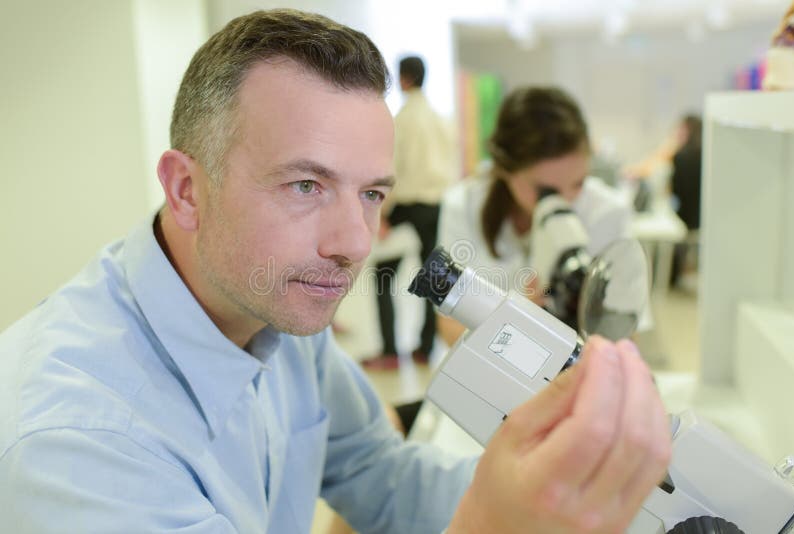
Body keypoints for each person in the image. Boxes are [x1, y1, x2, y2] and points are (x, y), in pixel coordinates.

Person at [0, 10, 671, 534]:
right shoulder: (77, 443)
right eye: (304, 186)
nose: (354, 243)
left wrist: (543, 489)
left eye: (372, 194)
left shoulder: (277, 313)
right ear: (186, 191)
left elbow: (380, 473)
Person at [437, 86, 635, 346]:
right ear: (506, 169)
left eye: (578, 183)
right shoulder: (463, 205)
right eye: (546, 192)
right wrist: (515, 317)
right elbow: (449, 323)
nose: (564, 202)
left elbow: (625, 336)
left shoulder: (608, 213)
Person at [363, 55, 456, 370]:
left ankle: (390, 351)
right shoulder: (441, 120)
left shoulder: (402, 120)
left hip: (407, 205)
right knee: (433, 278)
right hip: (437, 205)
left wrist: (384, 213)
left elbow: (393, 169)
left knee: (383, 277)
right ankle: (424, 348)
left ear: (404, 79)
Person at [669, 114, 703, 287]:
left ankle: (670, 275)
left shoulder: (680, 156)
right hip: (702, 218)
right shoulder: (708, 156)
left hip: (685, 218)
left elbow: (676, 191)